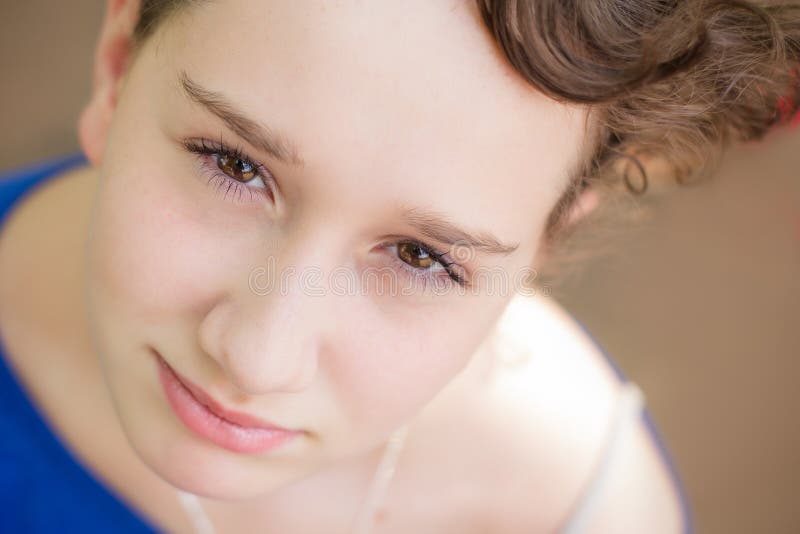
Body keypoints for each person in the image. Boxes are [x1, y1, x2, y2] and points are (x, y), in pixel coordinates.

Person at [0, 0, 797, 532]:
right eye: (233, 165)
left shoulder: (576, 510)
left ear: (541, 248)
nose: (256, 355)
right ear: (115, 70)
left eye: (422, 257)